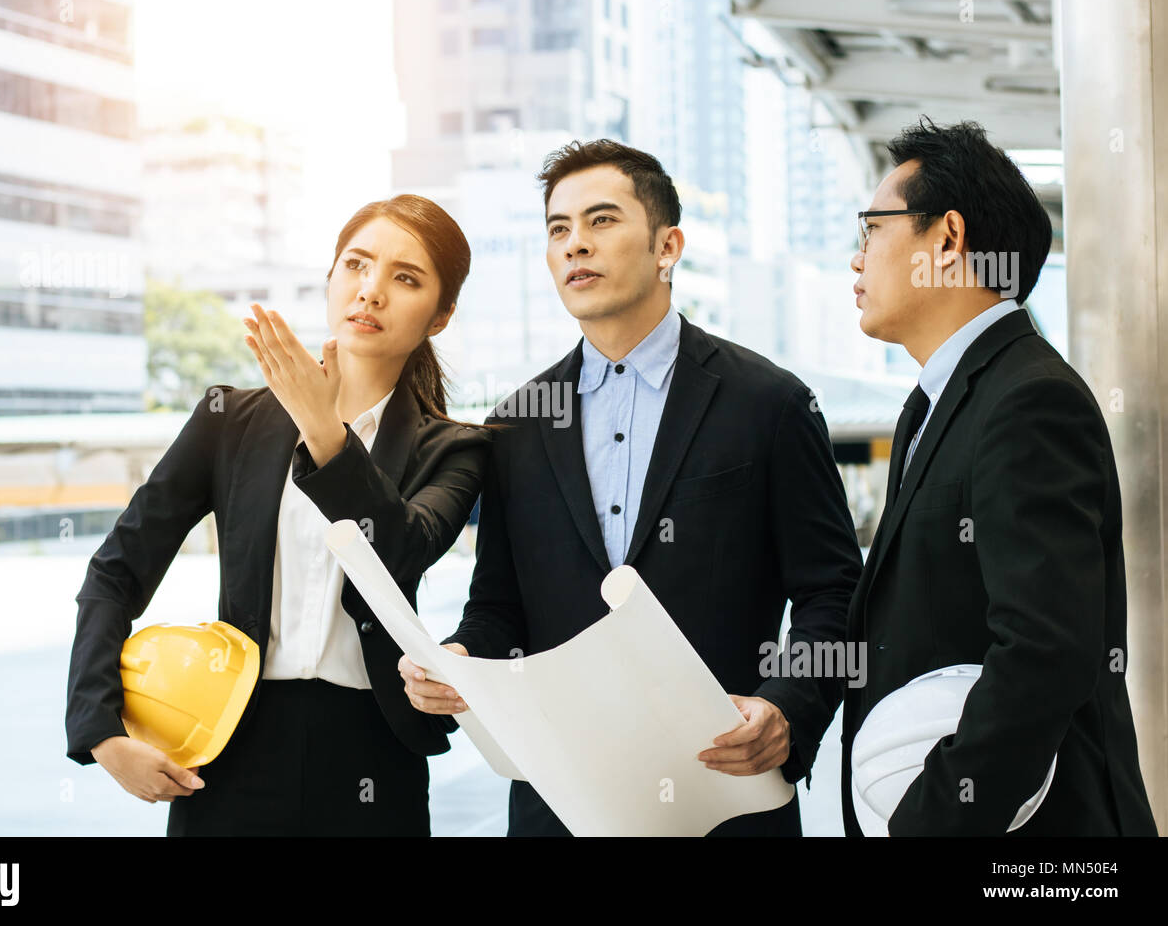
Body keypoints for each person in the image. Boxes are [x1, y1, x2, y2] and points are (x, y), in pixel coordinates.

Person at [400, 139, 863, 836]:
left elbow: (834, 592)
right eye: (558, 230)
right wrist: (462, 659)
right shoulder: (516, 424)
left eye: (602, 221)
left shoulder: (769, 403)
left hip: (725, 795)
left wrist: (789, 707)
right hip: (559, 802)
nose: (575, 245)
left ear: (667, 245)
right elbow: (498, 606)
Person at [65, 194, 491, 836]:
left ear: (440, 316)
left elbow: (401, 546)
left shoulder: (453, 448)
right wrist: (100, 730)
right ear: (329, 279)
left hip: (373, 755)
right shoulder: (228, 421)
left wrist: (324, 429)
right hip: (229, 742)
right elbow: (117, 571)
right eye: (356, 264)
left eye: (405, 278)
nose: (370, 291)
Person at [841, 117, 1158, 836]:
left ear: (946, 238)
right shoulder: (943, 401)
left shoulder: (1026, 399)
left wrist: (932, 818)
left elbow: (1046, 651)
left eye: (872, 230)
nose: (856, 260)